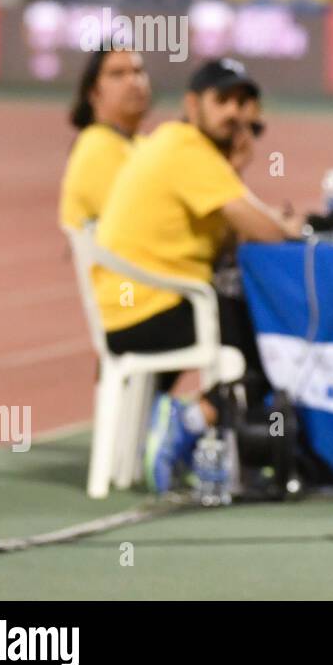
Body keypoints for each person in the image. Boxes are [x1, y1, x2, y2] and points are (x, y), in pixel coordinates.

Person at [93, 59, 306, 492]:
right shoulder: (188, 148)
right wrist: (289, 225)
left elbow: (231, 236)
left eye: (243, 103)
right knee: (267, 336)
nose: (235, 113)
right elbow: (263, 231)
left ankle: (214, 443)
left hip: (136, 307)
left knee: (247, 322)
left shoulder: (182, 147)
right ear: (192, 104)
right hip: (149, 311)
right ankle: (187, 423)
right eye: (222, 100)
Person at [59, 48, 152, 230]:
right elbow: (138, 221)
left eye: (138, 71)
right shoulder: (97, 146)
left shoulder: (141, 143)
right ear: (94, 92)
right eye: (117, 74)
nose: (133, 81)